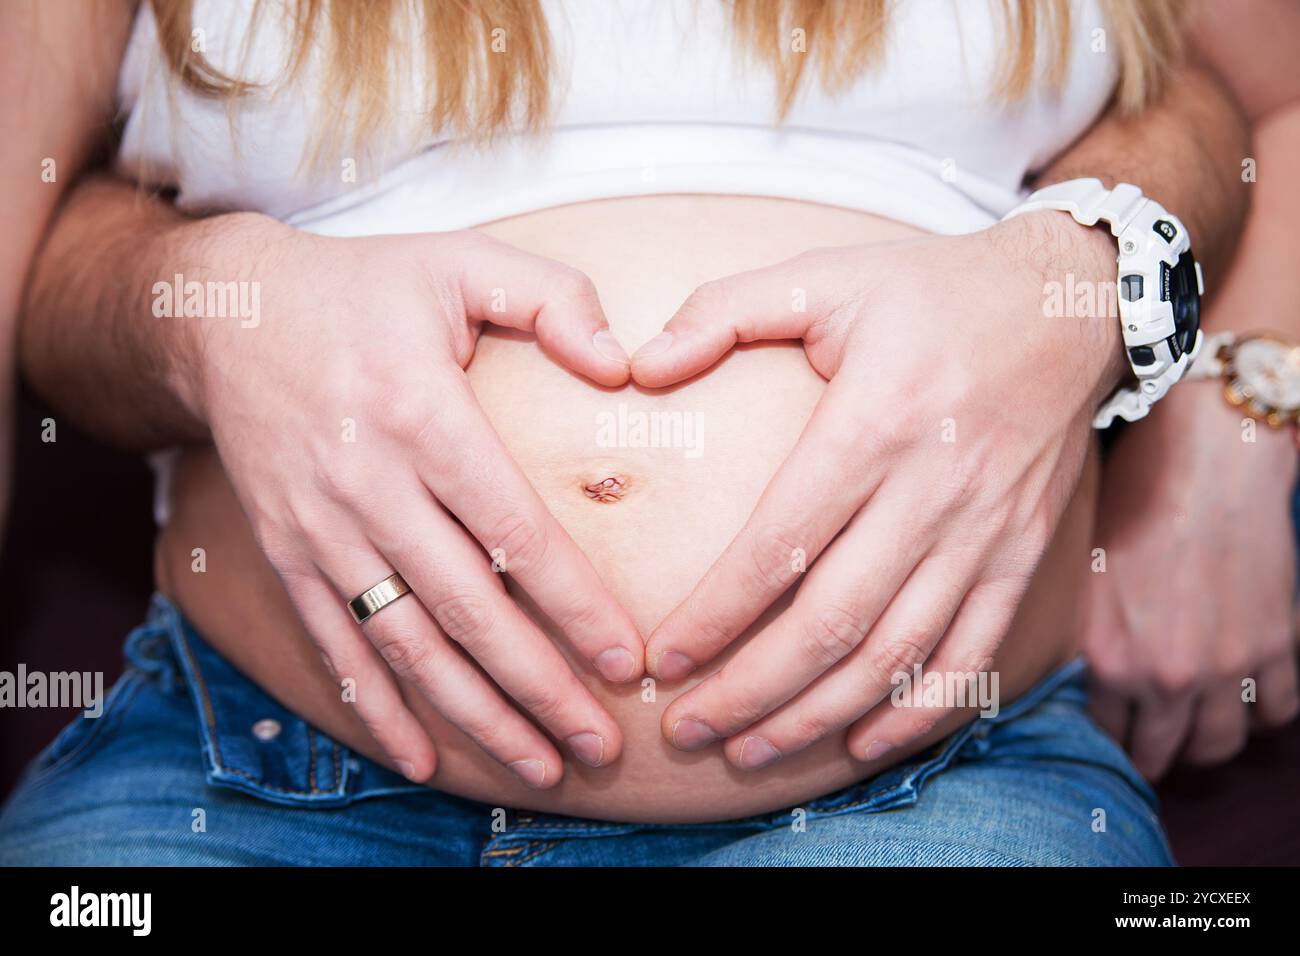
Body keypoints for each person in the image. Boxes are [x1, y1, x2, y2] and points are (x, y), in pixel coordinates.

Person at [0, 0, 1260, 865]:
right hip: (252, 775)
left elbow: (1258, 99)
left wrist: (1211, 406)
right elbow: (37, 274)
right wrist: (209, 319)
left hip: (927, 771)